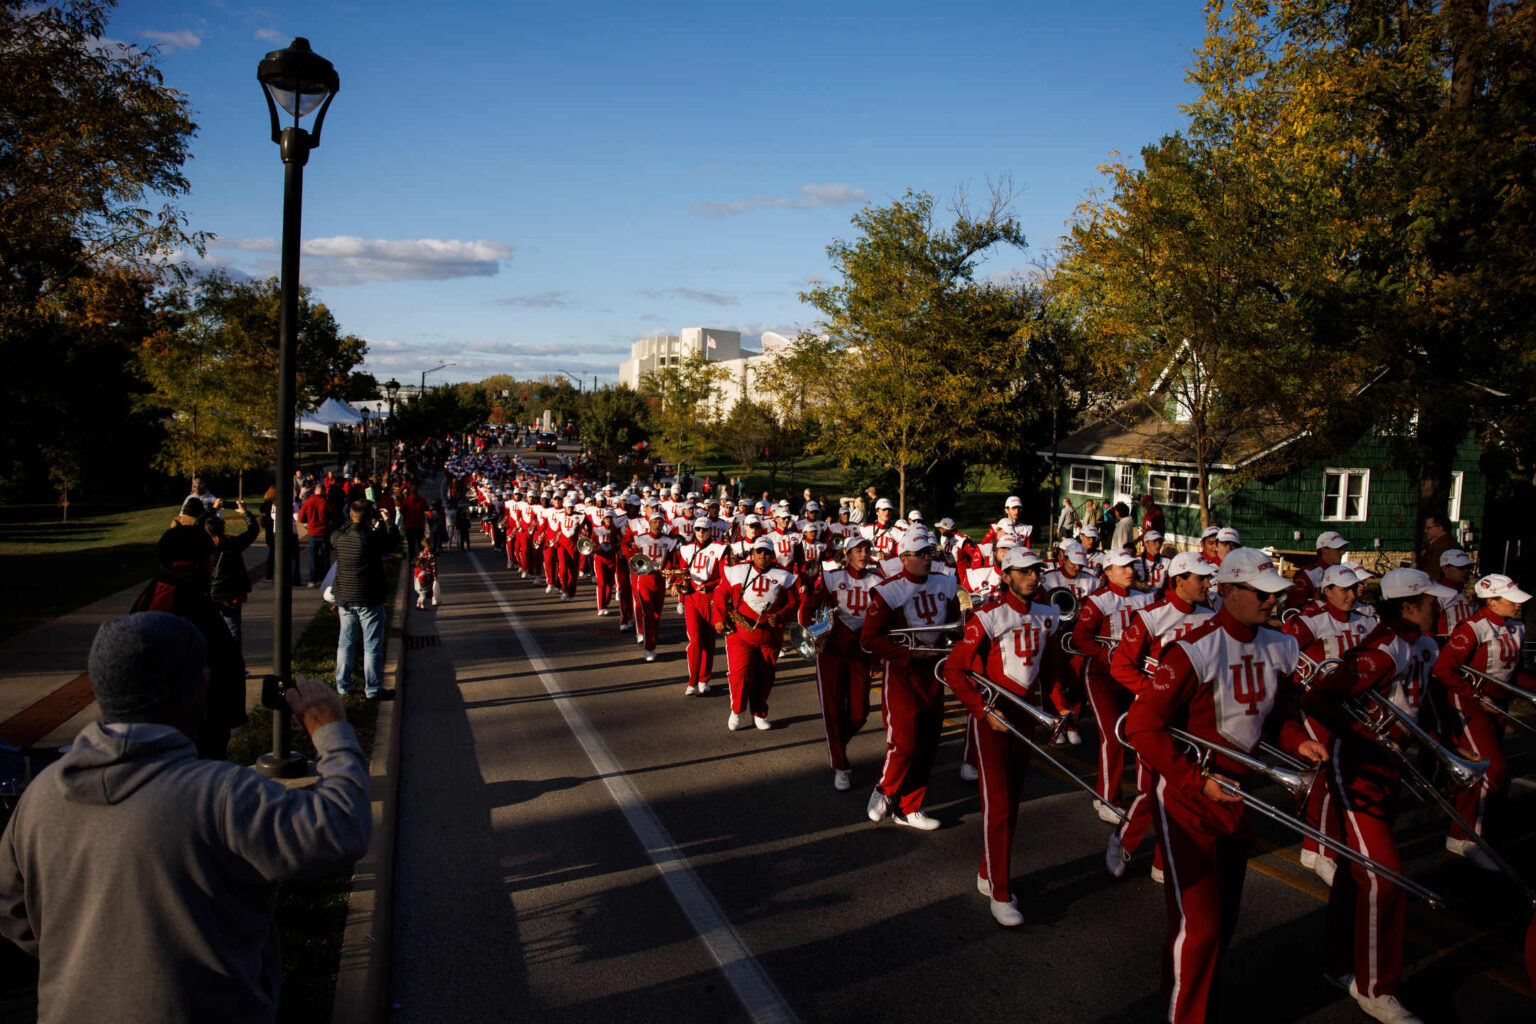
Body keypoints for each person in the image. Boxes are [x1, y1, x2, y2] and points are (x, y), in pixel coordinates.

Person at [0, 613, 371, 1024]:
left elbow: (17, 920)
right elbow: (342, 828)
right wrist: (331, 730)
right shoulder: (222, 796)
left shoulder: (39, 796)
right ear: (200, 686)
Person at [1124, 548, 1327, 1024]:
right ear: (1230, 591)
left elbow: (1280, 713)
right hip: (1188, 796)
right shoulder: (1195, 647)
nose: (1271, 602)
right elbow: (1141, 725)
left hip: (1242, 793)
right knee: (1200, 926)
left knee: (1225, 921)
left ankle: (1194, 1006)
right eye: (1260, 593)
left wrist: (1298, 742)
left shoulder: (1280, 644)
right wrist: (1195, 778)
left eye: (1274, 593)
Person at [1304, 568, 1448, 1024]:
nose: (1437, 607)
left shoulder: (1424, 644)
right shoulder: (1381, 651)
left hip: (1391, 767)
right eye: (1429, 602)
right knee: (1386, 878)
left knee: (1355, 870)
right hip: (1359, 768)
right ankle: (1376, 988)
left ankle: (1337, 962)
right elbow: (1320, 700)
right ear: (1407, 606)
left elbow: (1422, 703)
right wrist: (1367, 731)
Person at [942, 547, 1063, 926]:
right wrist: (982, 710)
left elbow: (1051, 668)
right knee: (998, 803)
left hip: (1026, 717)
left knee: (1012, 804)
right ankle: (1000, 890)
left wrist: (1059, 710)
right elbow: (953, 670)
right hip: (993, 717)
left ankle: (988, 871)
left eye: (1036, 571)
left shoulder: (1048, 614)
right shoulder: (988, 615)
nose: (1033, 577)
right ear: (1005, 574)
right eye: (1024, 571)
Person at [1105, 551, 1215, 883]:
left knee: (1186, 790)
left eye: (1209, 578)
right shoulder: (1151, 616)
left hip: (1194, 716)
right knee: (1152, 790)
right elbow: (1120, 665)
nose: (1208, 584)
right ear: (1178, 580)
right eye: (1201, 578)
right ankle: (1122, 841)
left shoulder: (1211, 617)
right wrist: (1156, 693)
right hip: (1155, 716)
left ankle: (1162, 860)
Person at [1432, 573, 1533, 870]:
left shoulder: (1517, 627)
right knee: (1493, 770)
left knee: (1479, 772)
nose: (1518, 605)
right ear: (1492, 601)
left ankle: (1463, 835)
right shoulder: (1472, 628)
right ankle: (1472, 840)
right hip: (1468, 705)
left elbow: (1515, 674)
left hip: (1496, 707)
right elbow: (1444, 669)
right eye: (1511, 600)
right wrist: (1476, 697)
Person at [860, 528, 959, 830]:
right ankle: (885, 789)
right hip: (903, 674)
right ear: (904, 558)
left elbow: (956, 622)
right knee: (903, 741)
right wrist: (908, 654)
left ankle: (909, 807)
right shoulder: (890, 590)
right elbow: (869, 639)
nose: (928, 558)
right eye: (920, 553)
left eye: (930, 552)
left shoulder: (946, 581)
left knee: (929, 742)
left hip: (934, 673)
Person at [1073, 548, 1160, 818]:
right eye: (1122, 567)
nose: (1130, 570)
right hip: (1102, 676)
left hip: (1133, 675)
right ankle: (1111, 799)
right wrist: (1106, 656)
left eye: (1131, 565)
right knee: (1113, 736)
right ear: (1108, 571)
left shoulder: (1145, 597)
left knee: (1137, 734)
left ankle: (1107, 795)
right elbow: (1080, 637)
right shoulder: (1098, 601)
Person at [800, 534, 887, 789]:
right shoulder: (832, 577)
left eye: (865, 550)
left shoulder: (878, 580)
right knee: (833, 708)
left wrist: (876, 657)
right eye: (857, 551)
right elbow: (809, 607)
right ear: (847, 555)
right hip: (832, 651)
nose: (862, 555)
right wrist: (811, 633)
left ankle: (837, 742)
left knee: (860, 712)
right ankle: (840, 764)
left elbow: (883, 621)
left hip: (860, 651)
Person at [713, 537, 800, 729]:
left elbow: (794, 602)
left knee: (766, 674)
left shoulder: (784, 575)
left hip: (770, 634)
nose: (763, 555)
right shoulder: (737, 570)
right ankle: (737, 710)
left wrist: (781, 615)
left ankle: (759, 713)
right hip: (740, 632)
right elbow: (720, 594)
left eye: (767, 552)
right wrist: (718, 618)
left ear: (773, 555)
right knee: (739, 674)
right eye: (759, 551)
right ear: (752, 553)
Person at [332, 499, 392, 700]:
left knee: (346, 643)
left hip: (345, 596)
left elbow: (336, 534)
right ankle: (373, 688)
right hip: (368, 597)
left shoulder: (340, 537)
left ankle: (343, 685)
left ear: (351, 514)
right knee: (372, 645)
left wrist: (351, 521)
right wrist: (385, 521)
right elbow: (388, 542)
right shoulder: (369, 538)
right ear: (369, 518)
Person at [677, 517, 729, 695]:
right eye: (698, 529)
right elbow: (683, 572)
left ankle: (704, 679)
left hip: (710, 598)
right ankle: (692, 681)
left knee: (708, 640)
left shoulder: (719, 549)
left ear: (710, 531)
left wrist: (711, 585)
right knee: (695, 639)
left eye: (704, 530)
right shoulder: (686, 549)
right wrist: (678, 584)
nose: (701, 533)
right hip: (692, 599)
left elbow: (724, 576)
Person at [206, 500, 260, 646]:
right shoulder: (232, 544)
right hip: (231, 592)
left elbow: (195, 525)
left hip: (210, 592)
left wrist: (212, 509)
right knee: (233, 628)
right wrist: (244, 513)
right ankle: (233, 663)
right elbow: (253, 531)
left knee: (210, 630)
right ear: (223, 528)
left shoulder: (203, 545)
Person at [1286, 531, 1350, 611]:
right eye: (1338, 549)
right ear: (1324, 549)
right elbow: (1293, 608)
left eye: (1343, 549)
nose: (1343, 552)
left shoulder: (1343, 572)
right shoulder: (1308, 574)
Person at [297, 485, 334, 588]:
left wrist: (309, 521)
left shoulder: (308, 502)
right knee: (326, 557)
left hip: (312, 532)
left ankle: (312, 579)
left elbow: (300, 518)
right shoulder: (326, 502)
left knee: (313, 557)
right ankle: (326, 579)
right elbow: (332, 517)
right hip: (324, 532)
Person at [1417, 513, 1457, 583]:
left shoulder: (1439, 548)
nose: (1425, 531)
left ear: (1440, 528)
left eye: (1428, 528)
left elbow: (1432, 576)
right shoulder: (1451, 543)